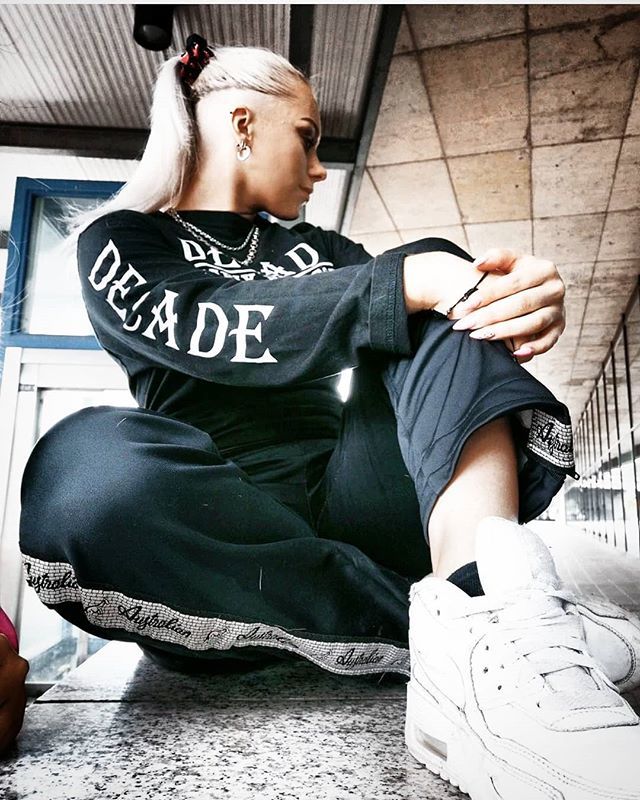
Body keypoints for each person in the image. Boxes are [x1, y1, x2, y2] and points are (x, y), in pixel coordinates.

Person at [16, 34, 640, 795]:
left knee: (432, 283)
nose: (318, 169)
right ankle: (461, 622)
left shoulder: (323, 248)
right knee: (84, 465)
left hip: (358, 505)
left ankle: (481, 607)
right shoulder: (124, 238)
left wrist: (500, 297)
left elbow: (421, 308)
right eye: (307, 138)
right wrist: (401, 283)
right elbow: (208, 324)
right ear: (242, 124)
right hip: (221, 533)